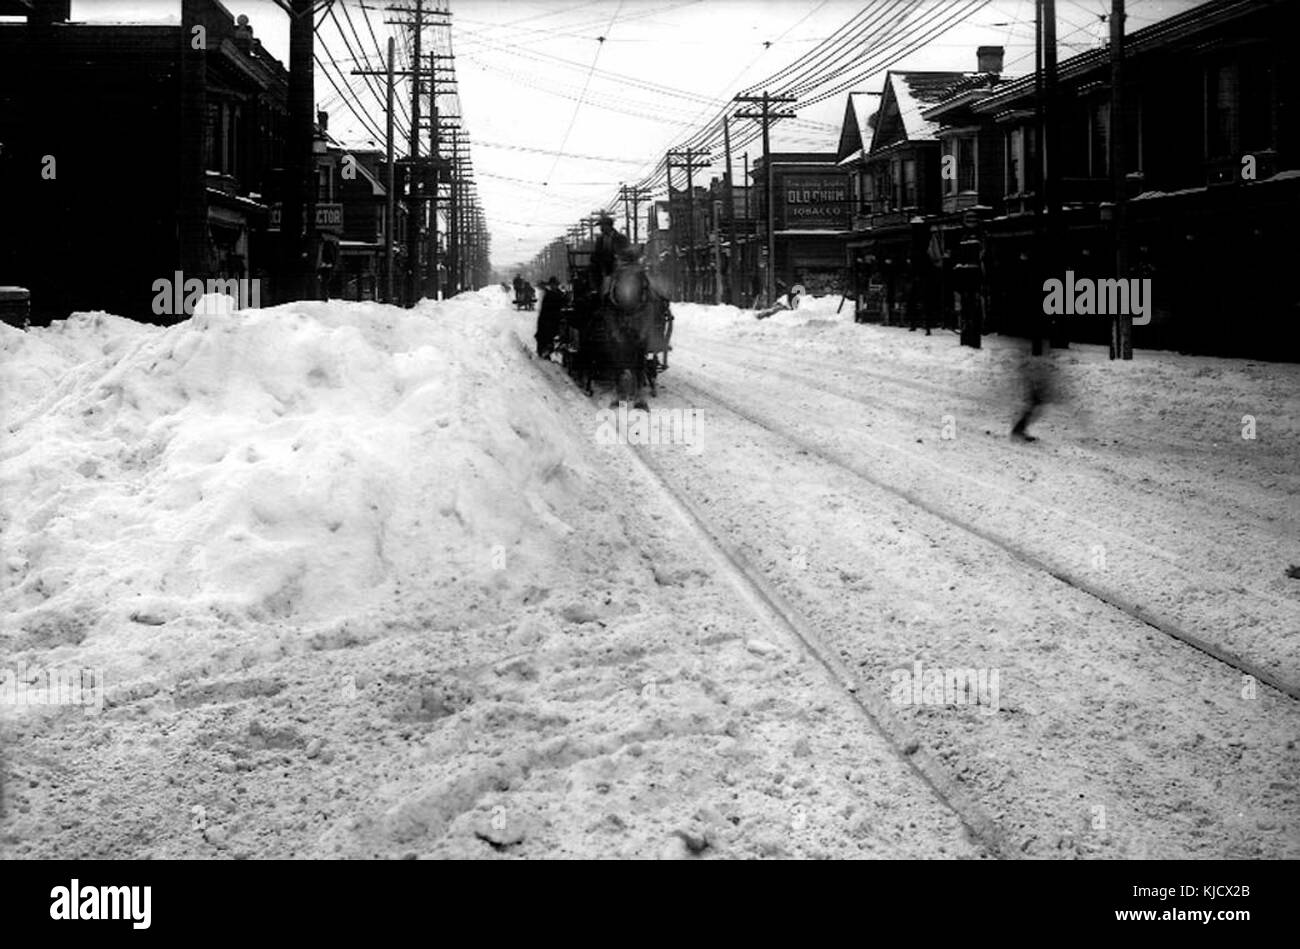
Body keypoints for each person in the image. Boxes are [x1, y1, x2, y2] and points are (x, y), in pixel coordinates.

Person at [589, 214, 629, 297]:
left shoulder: (620, 238)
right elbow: (597, 253)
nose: (601, 228)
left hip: (619, 263)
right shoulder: (600, 239)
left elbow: (626, 251)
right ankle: (597, 289)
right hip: (604, 265)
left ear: (608, 226)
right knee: (593, 268)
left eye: (602, 226)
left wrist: (619, 256)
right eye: (601, 226)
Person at [536, 276, 564, 358]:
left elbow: (562, 303)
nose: (553, 286)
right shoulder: (547, 294)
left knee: (551, 334)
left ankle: (548, 350)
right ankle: (543, 352)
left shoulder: (559, 293)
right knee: (543, 334)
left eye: (555, 284)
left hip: (555, 318)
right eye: (552, 284)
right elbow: (544, 307)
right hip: (546, 318)